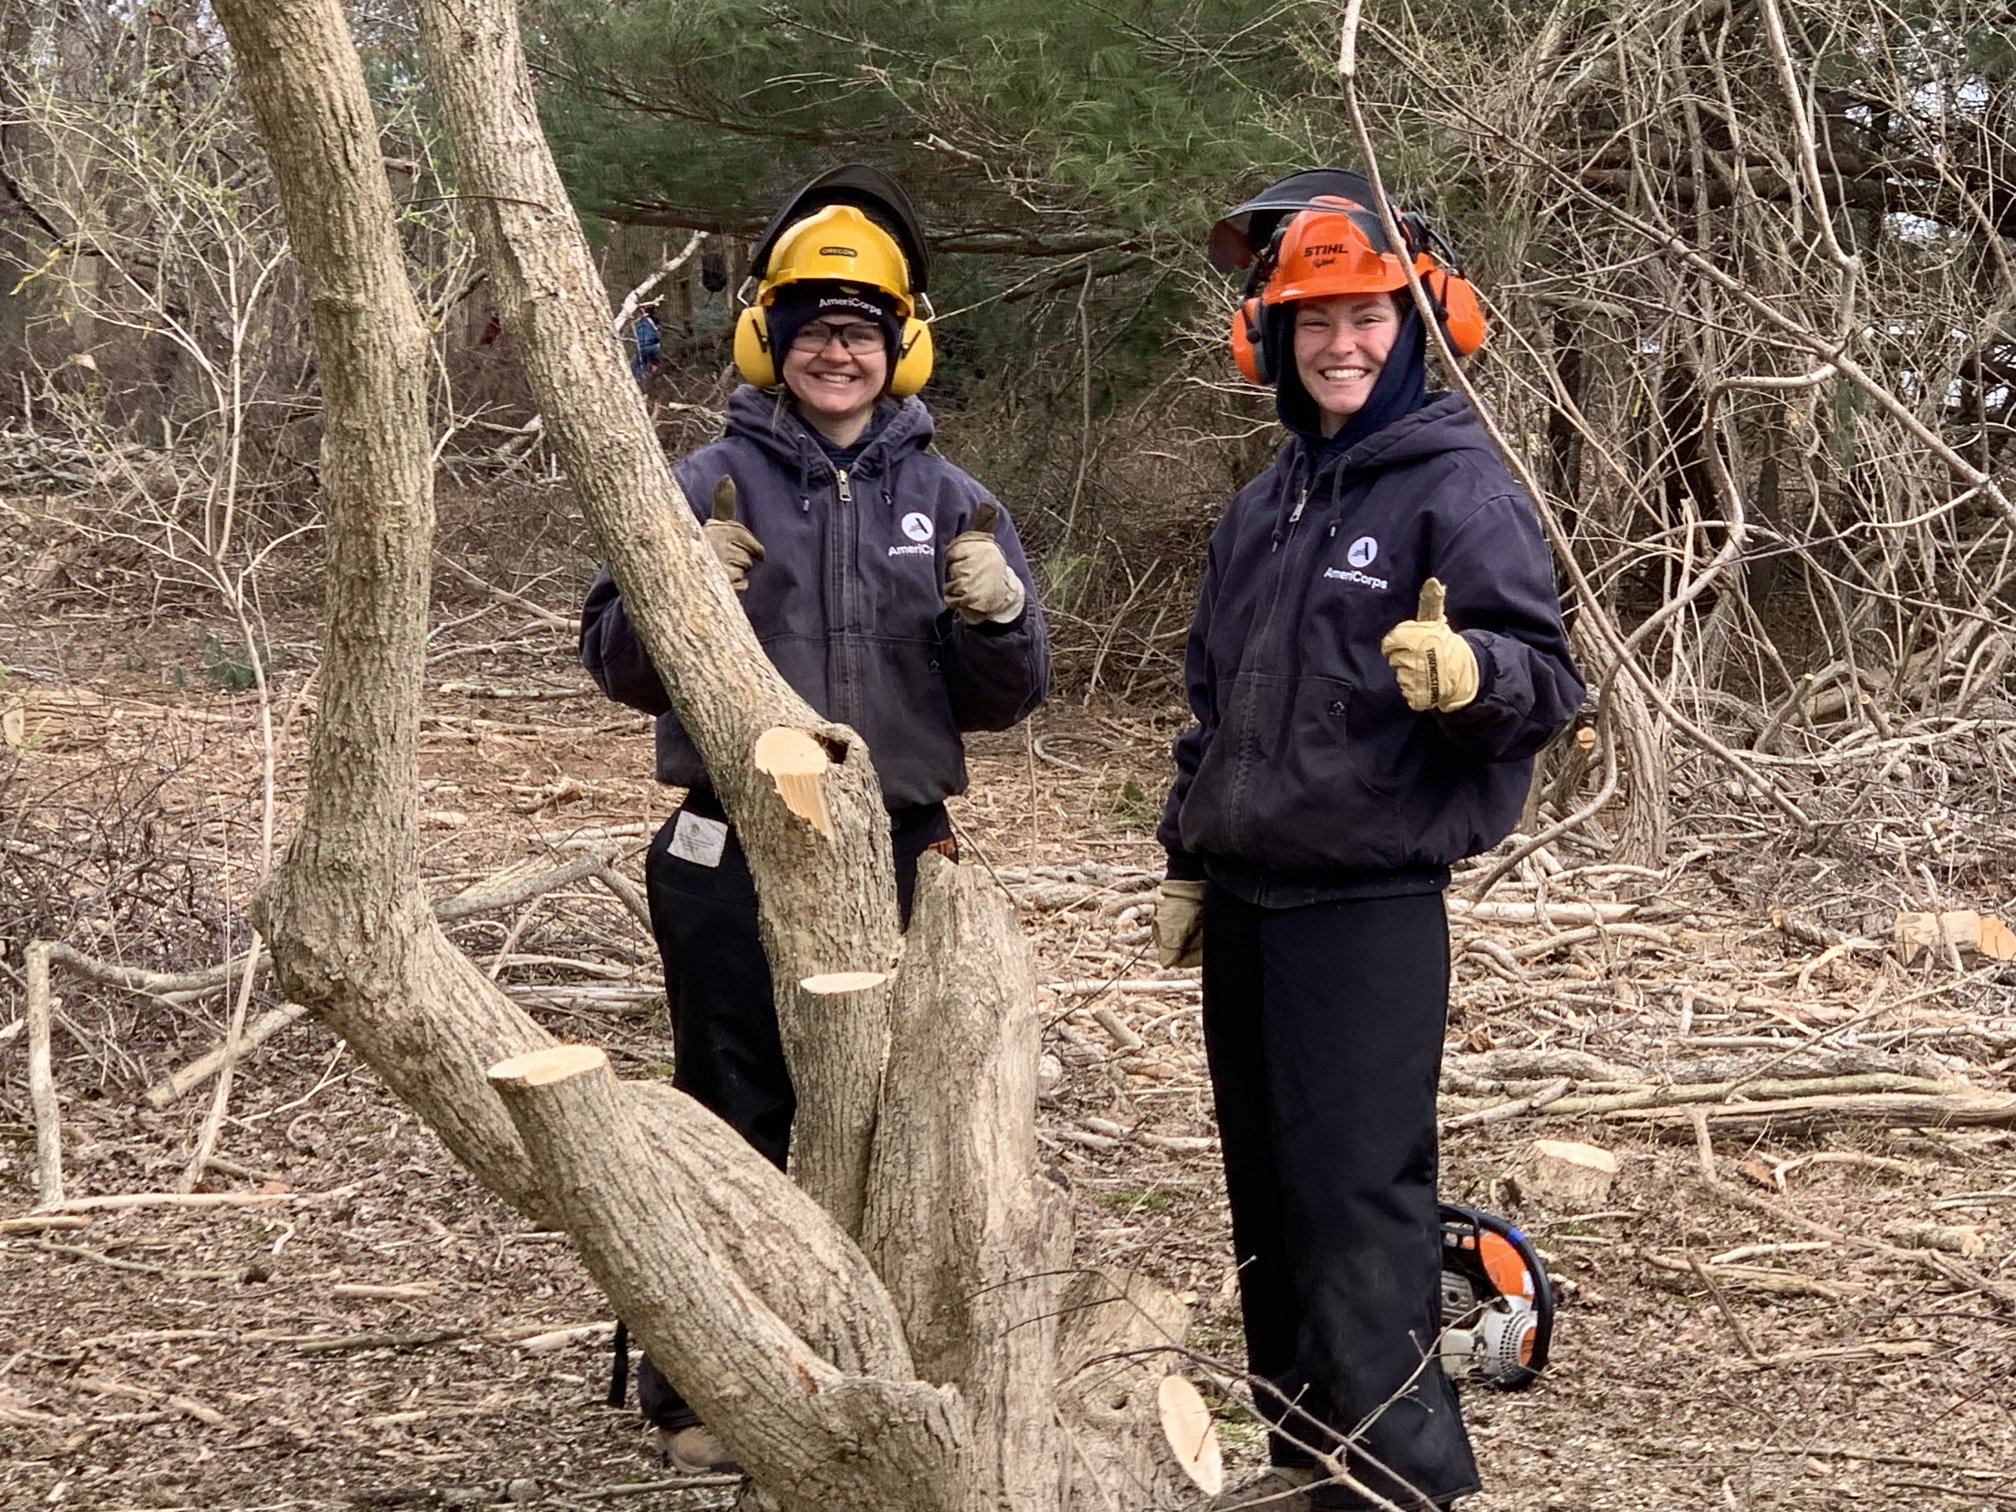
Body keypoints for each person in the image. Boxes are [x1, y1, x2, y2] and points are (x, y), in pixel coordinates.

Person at [579, 165, 1049, 1472]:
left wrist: (1000, 615)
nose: (837, 353)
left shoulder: (954, 500)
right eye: (813, 329)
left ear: (902, 346)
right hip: (733, 840)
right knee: (733, 1100)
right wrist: (676, 596)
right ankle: (707, 1387)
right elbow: (611, 663)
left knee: (896, 1113)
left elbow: (1006, 699)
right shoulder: (698, 483)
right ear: (768, 339)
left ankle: (874, 1360)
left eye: (861, 331)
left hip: (897, 841)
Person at [1153, 170, 1583, 1512]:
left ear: (1422, 325)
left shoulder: (1460, 489)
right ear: (1271, 338)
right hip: (1249, 897)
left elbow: (1549, 684)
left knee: (1358, 1202)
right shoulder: (1266, 504)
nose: (1340, 345)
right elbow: (1216, 707)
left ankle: (1405, 1484)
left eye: (1368, 319)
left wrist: (1473, 675)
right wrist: (1187, 857)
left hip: (1366, 903)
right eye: (1315, 322)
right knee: (1271, 1200)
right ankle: (1305, 1460)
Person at [630, 302, 661, 385]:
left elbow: (645, 340)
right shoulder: (653, 322)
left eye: (642, 308)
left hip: (646, 348)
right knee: (642, 368)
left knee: (636, 368)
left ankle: (638, 383)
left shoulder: (645, 322)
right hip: (652, 348)